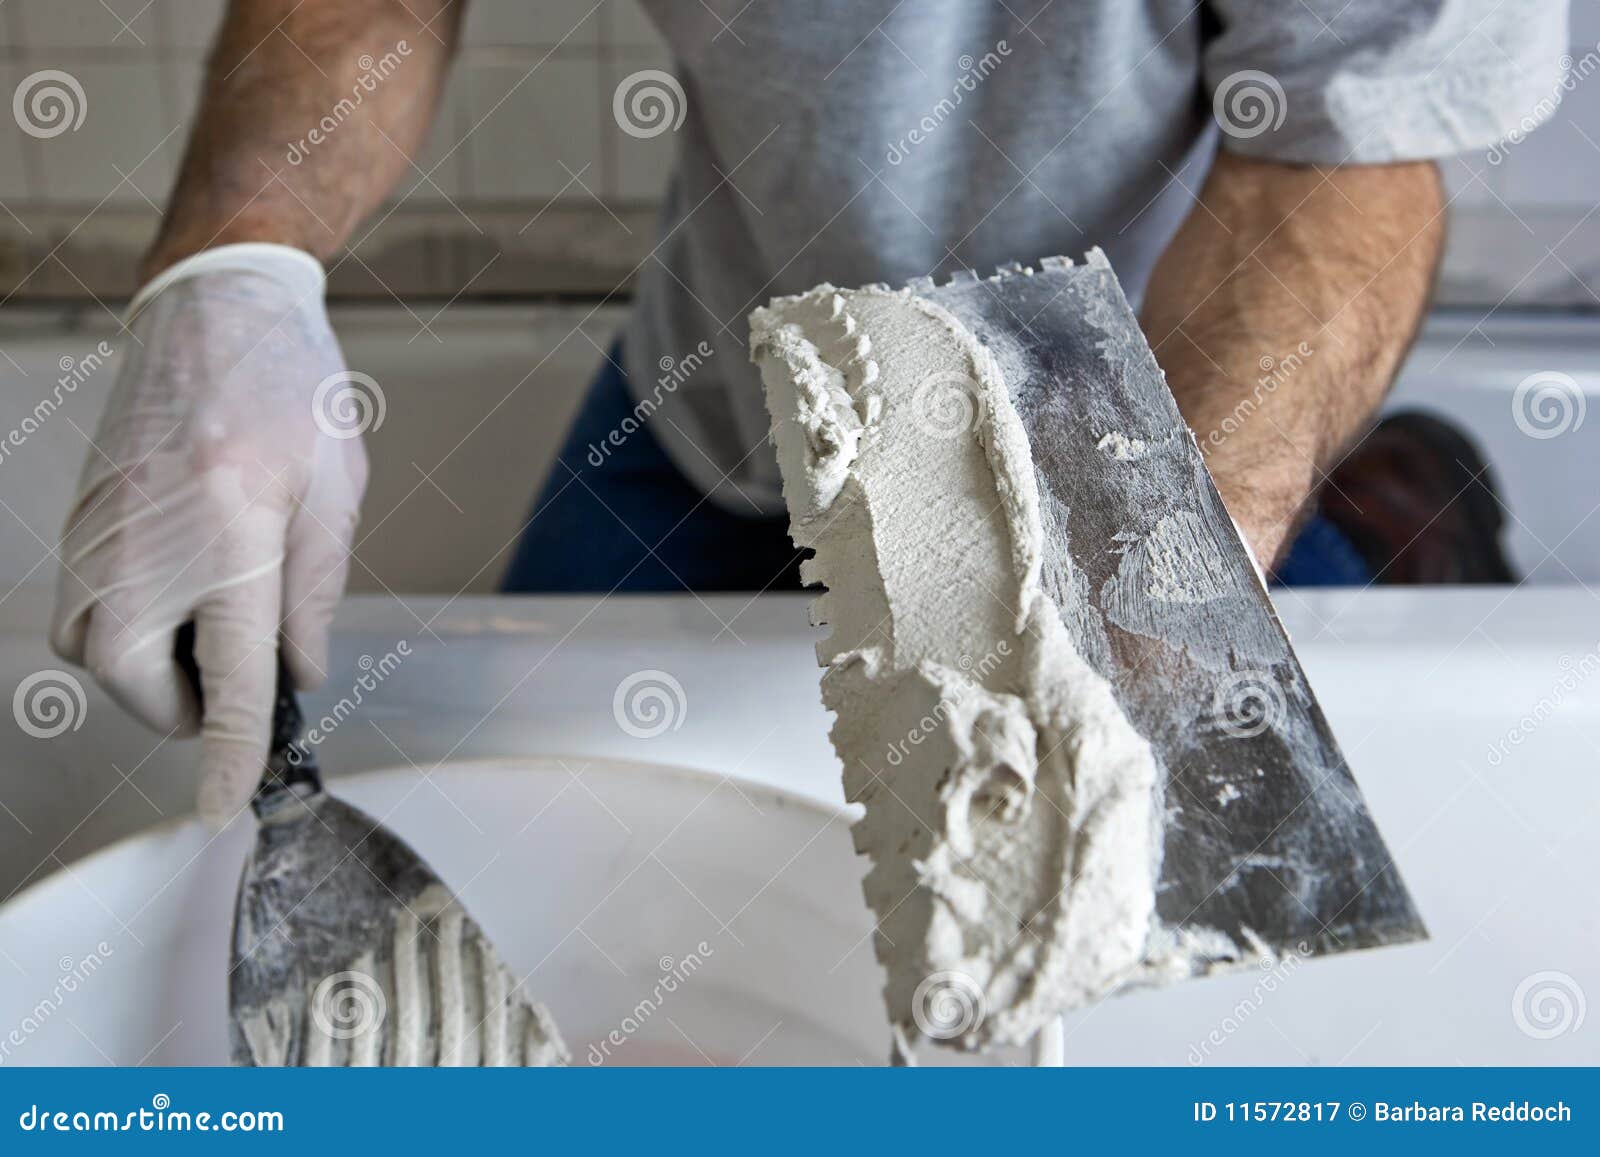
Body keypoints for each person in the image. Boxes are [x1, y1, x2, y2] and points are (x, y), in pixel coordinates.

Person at [47, 1, 1565, 823]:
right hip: (726, 397)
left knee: (1214, 991)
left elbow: (1343, 132)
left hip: (1145, 411)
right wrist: (234, 264)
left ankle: (1383, 509)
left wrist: (1169, 528)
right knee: (526, 862)